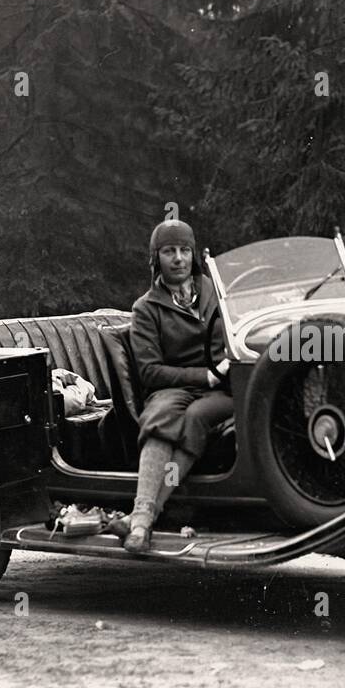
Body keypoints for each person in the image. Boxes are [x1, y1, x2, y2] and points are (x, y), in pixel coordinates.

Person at [107, 219, 232, 553]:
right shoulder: (146, 308)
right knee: (158, 417)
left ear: (194, 255)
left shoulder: (218, 293)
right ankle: (142, 522)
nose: (178, 258)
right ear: (155, 259)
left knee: (196, 417)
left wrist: (221, 373)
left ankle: (141, 518)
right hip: (175, 388)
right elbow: (149, 372)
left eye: (184, 250)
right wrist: (201, 377)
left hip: (227, 388)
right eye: (168, 251)